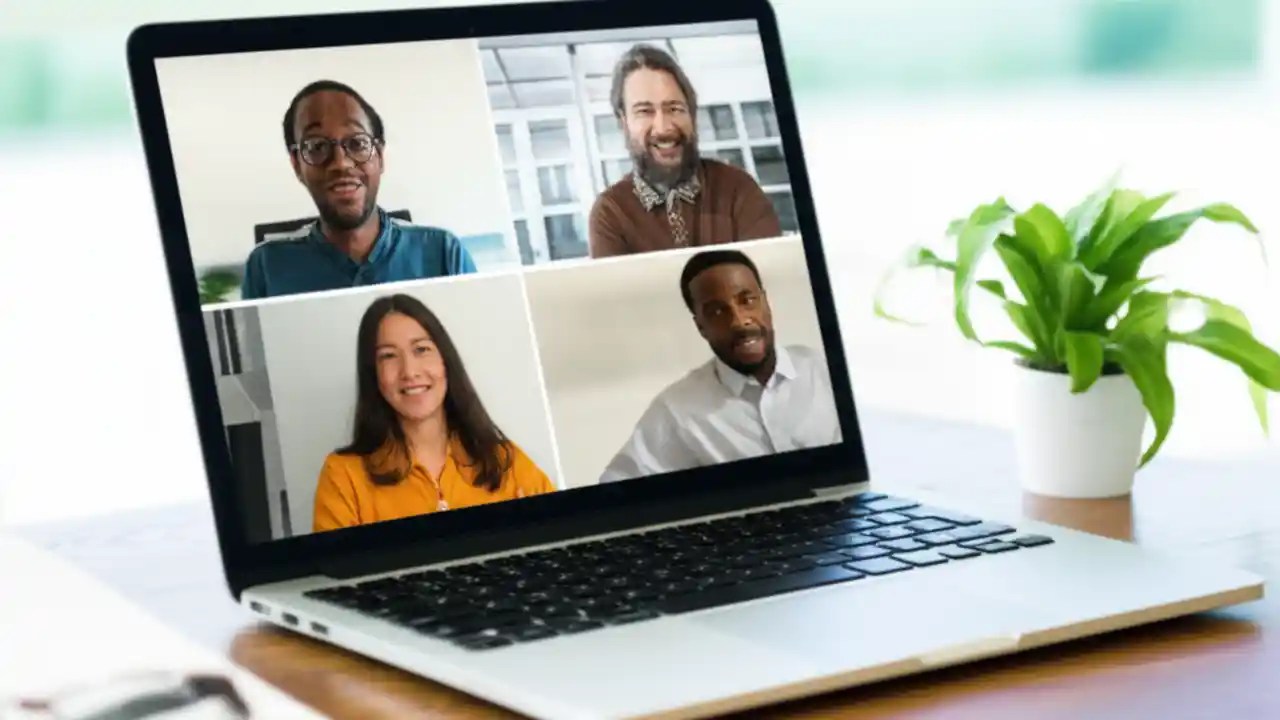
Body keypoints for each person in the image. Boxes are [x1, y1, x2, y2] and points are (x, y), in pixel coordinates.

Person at [313, 293, 554, 532]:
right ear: (373, 374)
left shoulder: (506, 461)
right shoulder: (343, 476)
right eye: (388, 356)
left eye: (421, 349)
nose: (410, 371)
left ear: (445, 361)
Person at [599, 250, 840, 483]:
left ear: (766, 303)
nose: (738, 321)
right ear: (700, 327)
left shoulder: (826, 370)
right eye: (716, 311)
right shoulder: (677, 409)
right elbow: (616, 489)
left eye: (747, 300)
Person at [241, 80, 477, 300]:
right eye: (316, 146)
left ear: (380, 157)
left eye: (357, 143)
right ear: (296, 165)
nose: (341, 163)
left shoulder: (444, 254)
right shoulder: (266, 267)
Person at [588, 45, 782, 258]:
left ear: (692, 114)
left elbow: (770, 278)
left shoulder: (738, 189)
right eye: (644, 111)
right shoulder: (611, 213)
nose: (663, 128)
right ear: (624, 123)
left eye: (674, 109)